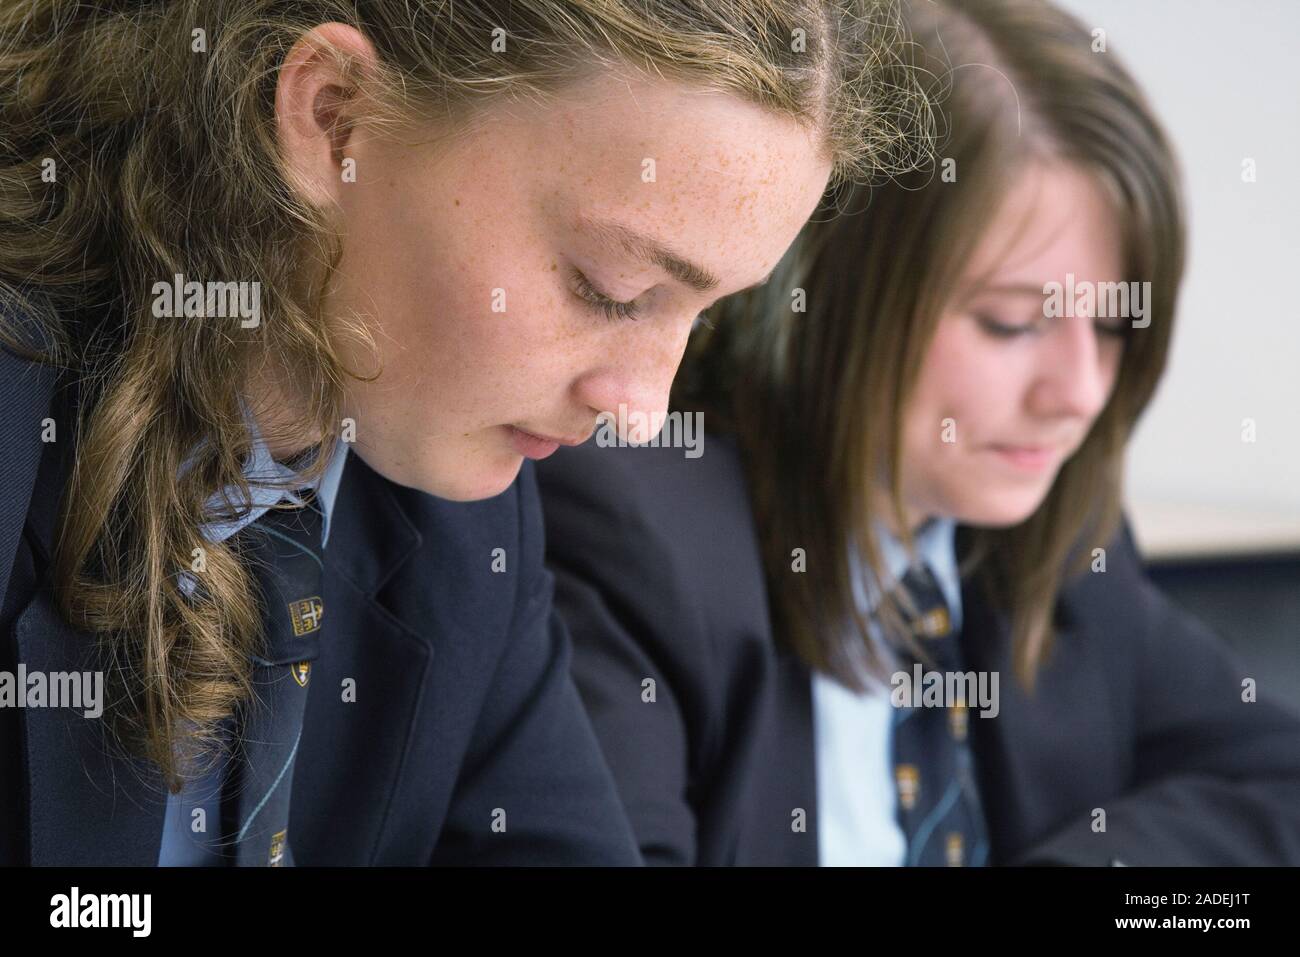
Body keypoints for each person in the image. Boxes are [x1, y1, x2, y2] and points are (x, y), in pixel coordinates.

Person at [0, 0, 921, 865]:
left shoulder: (467, 532)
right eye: (613, 288)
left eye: (703, 315)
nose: (643, 408)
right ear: (336, 119)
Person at [536, 0, 1300, 865]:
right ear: (833, 291)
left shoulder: (1054, 539)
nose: (1080, 394)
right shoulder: (633, 536)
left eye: (1113, 327)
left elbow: (1276, 782)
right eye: (1013, 322)